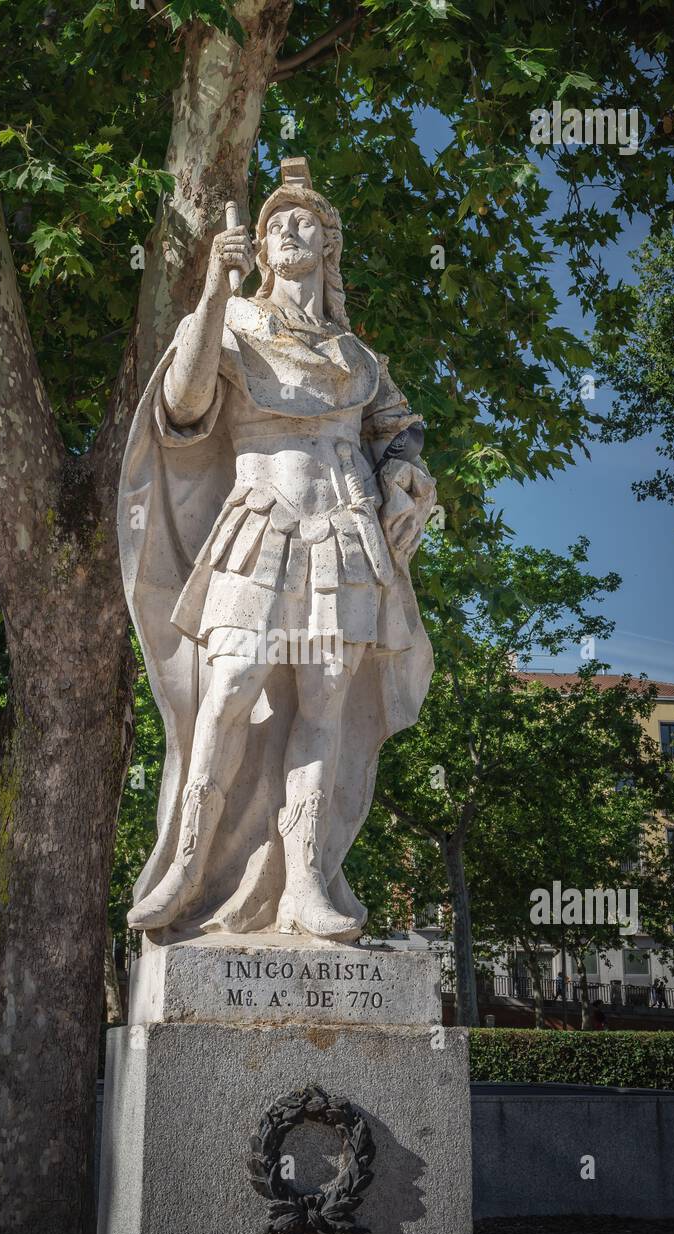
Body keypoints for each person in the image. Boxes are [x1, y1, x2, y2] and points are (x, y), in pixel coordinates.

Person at [118, 157, 436, 941]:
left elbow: (398, 433)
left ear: (328, 249)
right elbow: (182, 407)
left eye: (305, 223)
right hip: (256, 526)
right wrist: (210, 293)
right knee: (226, 696)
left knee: (324, 704)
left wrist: (408, 476)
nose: (287, 229)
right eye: (273, 223)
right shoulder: (231, 324)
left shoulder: (357, 356)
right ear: (256, 250)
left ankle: (304, 883)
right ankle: (187, 870)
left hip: (345, 531)